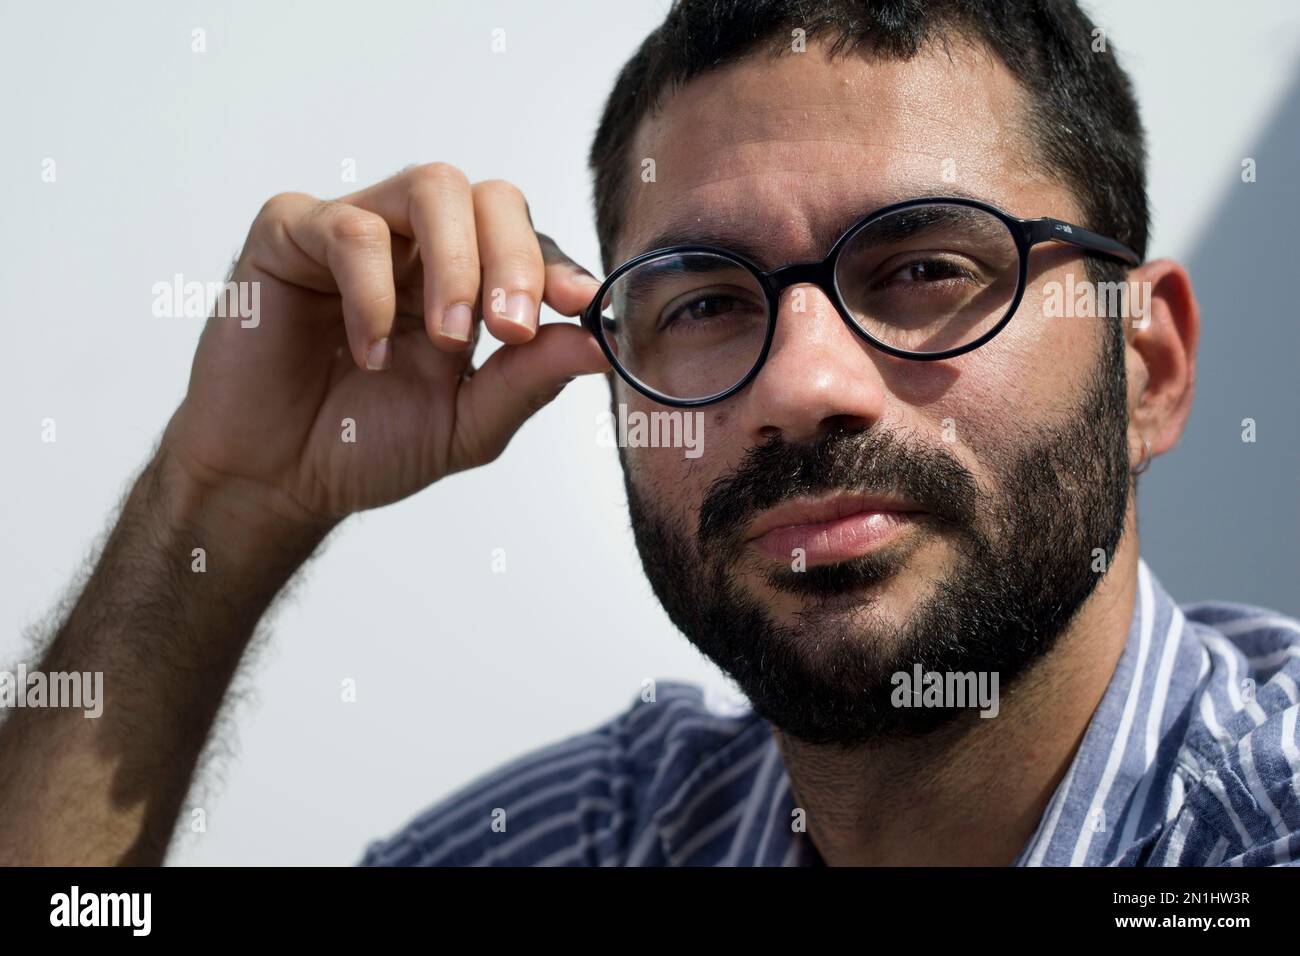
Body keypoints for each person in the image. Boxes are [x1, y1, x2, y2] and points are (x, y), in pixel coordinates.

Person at [1, 0, 1297, 867]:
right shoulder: (586, 841)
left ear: (1151, 369)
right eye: (710, 302)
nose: (802, 385)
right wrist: (224, 503)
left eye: (923, 271)